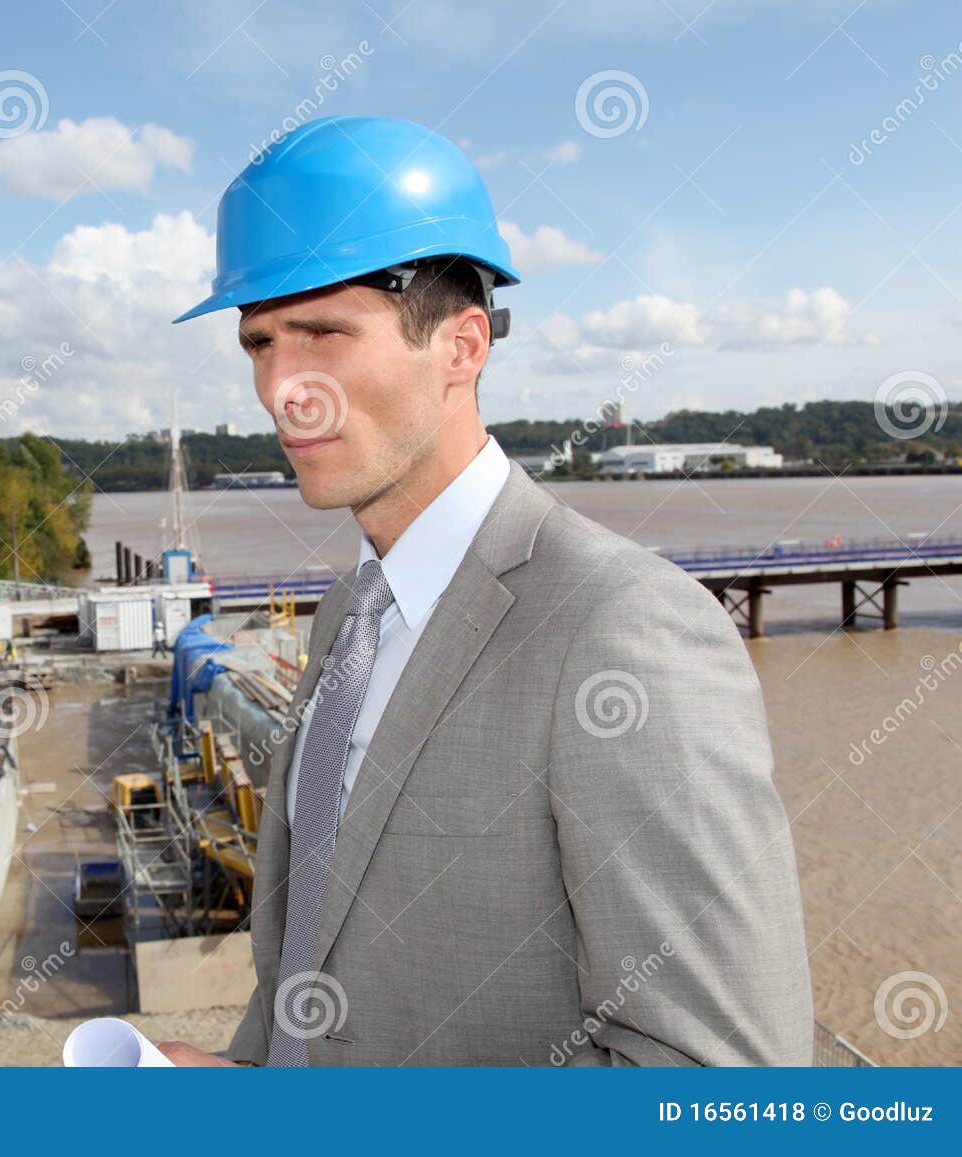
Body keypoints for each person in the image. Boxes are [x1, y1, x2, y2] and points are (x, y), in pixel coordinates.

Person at [158, 116, 812, 1067]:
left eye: (324, 334)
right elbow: (312, 955)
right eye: (259, 343)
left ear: (463, 347)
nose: (281, 390)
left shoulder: (621, 627)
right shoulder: (349, 615)